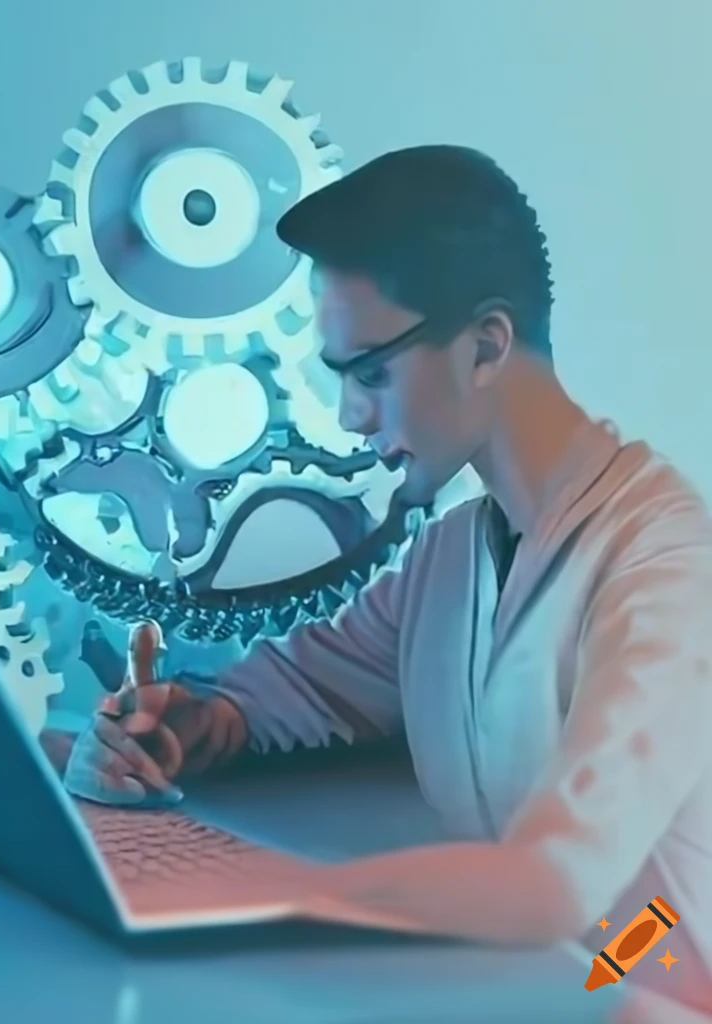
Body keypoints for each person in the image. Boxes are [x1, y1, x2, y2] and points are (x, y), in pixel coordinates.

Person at [62, 145, 712, 1016]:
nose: (351, 415)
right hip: (526, 980)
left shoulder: (667, 571)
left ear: (486, 347)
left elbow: (557, 887)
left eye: (371, 374)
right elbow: (288, 688)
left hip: (662, 963)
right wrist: (191, 722)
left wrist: (230, 898)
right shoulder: (451, 559)